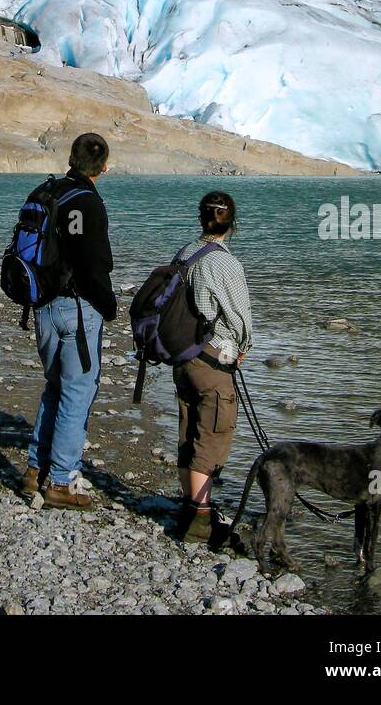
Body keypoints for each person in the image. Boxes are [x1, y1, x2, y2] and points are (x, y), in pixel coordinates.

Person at [22, 132, 116, 509]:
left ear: (71, 159)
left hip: (41, 304)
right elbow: (92, 266)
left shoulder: (45, 193)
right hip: (77, 309)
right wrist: (108, 304)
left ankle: (34, 470)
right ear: (104, 167)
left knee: (55, 386)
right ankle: (61, 481)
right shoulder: (89, 203)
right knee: (78, 391)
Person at [174, 190, 252, 543]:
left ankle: (189, 507)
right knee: (213, 435)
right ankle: (201, 521)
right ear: (231, 223)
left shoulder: (186, 253)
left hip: (182, 356)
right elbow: (240, 319)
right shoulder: (225, 263)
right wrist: (243, 348)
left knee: (188, 429)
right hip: (213, 360)